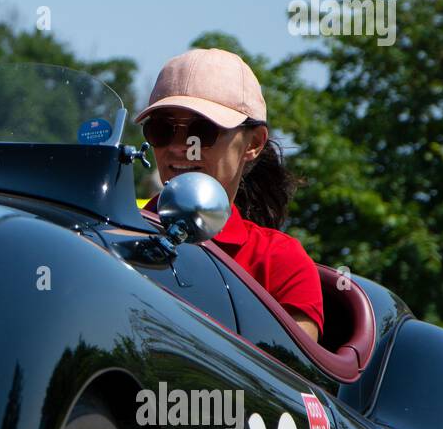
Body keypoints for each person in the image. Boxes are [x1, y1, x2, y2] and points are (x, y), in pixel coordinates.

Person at [135, 47, 324, 343]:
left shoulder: (281, 262)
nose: (179, 146)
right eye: (162, 129)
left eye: (203, 130)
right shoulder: (118, 232)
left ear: (254, 143)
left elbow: (287, 379)